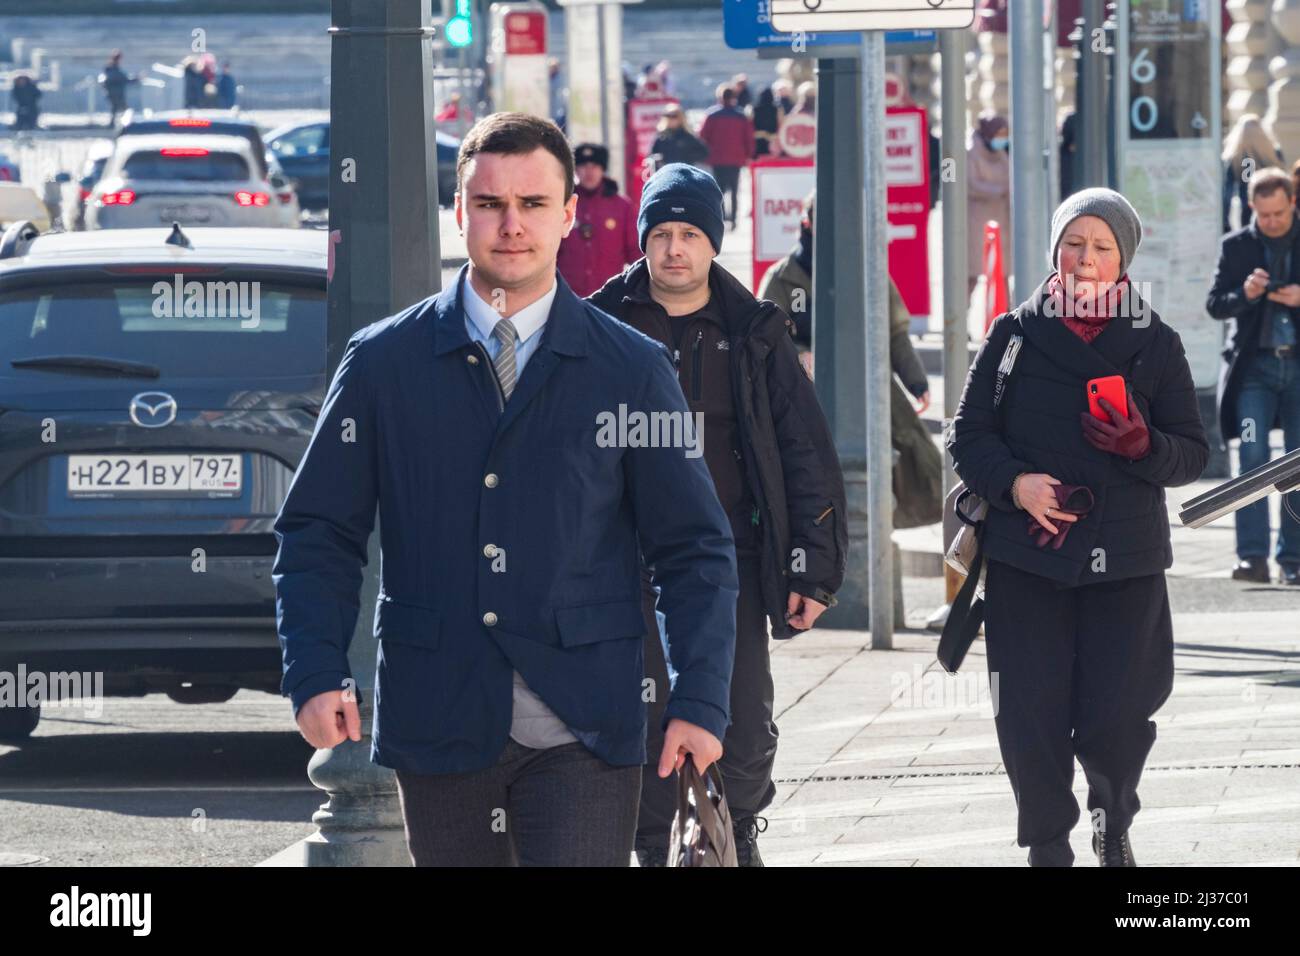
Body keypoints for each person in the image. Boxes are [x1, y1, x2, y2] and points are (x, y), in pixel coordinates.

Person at [274, 113, 740, 867]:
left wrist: (700, 698)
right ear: (460, 213)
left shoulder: (630, 368)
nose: (510, 225)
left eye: (531, 204)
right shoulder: (384, 363)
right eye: (490, 204)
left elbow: (694, 549)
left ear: (567, 216)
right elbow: (318, 529)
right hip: (440, 714)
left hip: (585, 725)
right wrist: (315, 666)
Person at [589, 165, 848, 867]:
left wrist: (813, 570)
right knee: (643, 713)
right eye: (662, 233)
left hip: (730, 562)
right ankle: (650, 844)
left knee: (742, 714)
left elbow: (805, 453)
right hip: (624, 561)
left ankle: (732, 832)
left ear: (714, 242)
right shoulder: (598, 322)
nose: (674, 249)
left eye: (691, 234)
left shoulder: (755, 332)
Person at [948, 188, 1209, 867]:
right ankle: (1046, 842)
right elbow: (967, 436)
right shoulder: (1012, 335)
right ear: (1055, 250)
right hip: (1026, 560)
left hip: (1124, 562)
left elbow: (1193, 454)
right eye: (1073, 244)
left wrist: (1142, 445)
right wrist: (1015, 483)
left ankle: (1111, 816)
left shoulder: (1155, 342)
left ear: (1122, 261)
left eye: (1101, 248)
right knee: (1028, 718)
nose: (1084, 260)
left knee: (1121, 717)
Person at [758, 190, 942, 528]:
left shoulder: (868, 272)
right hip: (805, 396)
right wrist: (801, 357)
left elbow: (895, 331)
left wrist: (916, 380)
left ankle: (875, 537)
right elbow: (764, 340)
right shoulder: (782, 278)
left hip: (869, 387)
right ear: (807, 223)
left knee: (912, 462)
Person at [1206, 167, 1300, 585]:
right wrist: (1244, 294)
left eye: (1279, 213)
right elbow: (1215, 304)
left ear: (1292, 203)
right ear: (1251, 208)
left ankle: (1294, 560)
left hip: (1296, 366)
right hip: (1253, 370)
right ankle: (1252, 558)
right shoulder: (1236, 246)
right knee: (1252, 459)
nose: (1273, 222)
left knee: (1297, 465)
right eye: (1264, 216)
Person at [556, 143, 640, 297]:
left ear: (603, 169)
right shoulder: (562, 203)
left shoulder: (622, 206)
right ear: (575, 170)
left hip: (609, 298)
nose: (589, 171)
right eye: (583, 166)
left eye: (595, 166)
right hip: (568, 297)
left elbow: (635, 253)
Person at [967, 111, 1012, 301]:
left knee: (1002, 273)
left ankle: (1008, 314)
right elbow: (969, 184)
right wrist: (999, 189)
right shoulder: (970, 154)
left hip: (1001, 219)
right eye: (999, 134)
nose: (1002, 139)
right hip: (975, 222)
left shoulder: (1002, 155)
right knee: (972, 273)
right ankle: (961, 316)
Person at [698, 84, 754, 230]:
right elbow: (748, 137)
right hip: (736, 158)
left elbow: (703, 136)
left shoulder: (711, 115)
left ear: (719, 97)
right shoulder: (741, 115)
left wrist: (705, 154)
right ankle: (734, 219)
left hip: (717, 158)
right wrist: (748, 154)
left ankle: (721, 217)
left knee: (719, 190)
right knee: (735, 189)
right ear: (734, 97)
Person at [1221, 114, 1285, 234]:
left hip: (1248, 209)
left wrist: (1224, 221)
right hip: (1274, 208)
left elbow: (1227, 192)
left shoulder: (1237, 158)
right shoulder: (1274, 154)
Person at [648, 103, 708, 172]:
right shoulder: (661, 136)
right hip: (665, 173)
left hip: (684, 172)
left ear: (681, 118)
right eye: (667, 116)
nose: (670, 119)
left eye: (673, 116)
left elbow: (704, 152)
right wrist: (658, 159)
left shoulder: (687, 136)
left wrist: (687, 159)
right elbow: (652, 154)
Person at [100, 50, 136, 128]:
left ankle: (114, 124)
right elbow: (121, 78)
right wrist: (134, 79)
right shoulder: (112, 68)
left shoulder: (112, 68)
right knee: (125, 109)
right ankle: (124, 125)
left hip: (114, 93)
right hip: (115, 93)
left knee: (115, 108)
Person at [752, 87, 780, 159]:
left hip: (758, 141)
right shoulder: (777, 109)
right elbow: (780, 124)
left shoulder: (754, 109)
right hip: (772, 141)